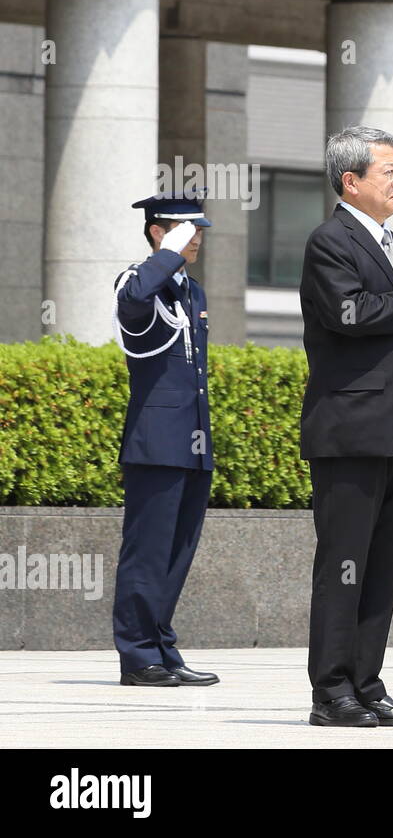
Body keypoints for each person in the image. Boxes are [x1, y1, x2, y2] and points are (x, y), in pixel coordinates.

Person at [299, 125, 393, 727]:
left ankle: (367, 683)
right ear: (350, 181)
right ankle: (331, 692)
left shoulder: (392, 244)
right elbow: (348, 312)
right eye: (391, 171)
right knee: (344, 564)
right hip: (351, 432)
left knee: (381, 567)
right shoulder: (330, 240)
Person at [111, 191, 219, 688]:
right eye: (184, 229)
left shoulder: (191, 291)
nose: (195, 238)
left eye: (197, 230)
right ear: (158, 231)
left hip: (192, 440)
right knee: (148, 550)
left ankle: (163, 648)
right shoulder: (137, 281)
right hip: (155, 441)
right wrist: (168, 253)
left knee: (177, 551)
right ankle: (137, 656)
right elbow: (134, 303)